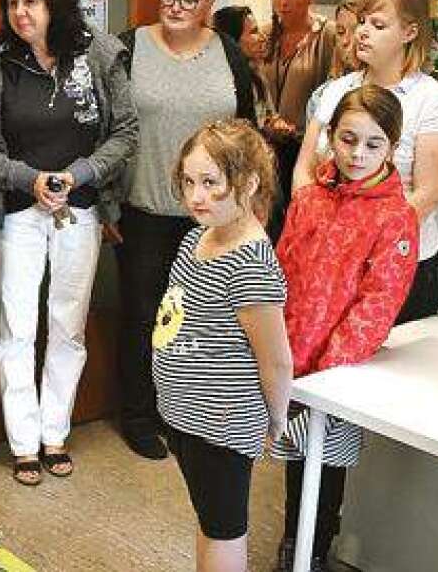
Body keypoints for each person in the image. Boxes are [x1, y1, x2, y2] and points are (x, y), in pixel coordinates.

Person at [0, 0, 138, 486]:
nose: (19, 13)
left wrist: (78, 174)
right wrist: (25, 178)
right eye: (12, 3)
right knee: (17, 326)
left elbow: (126, 132)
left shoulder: (100, 54)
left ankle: (55, 431)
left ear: (54, 3)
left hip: (79, 211)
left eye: (30, 2)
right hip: (19, 211)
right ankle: (22, 443)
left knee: (68, 324)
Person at [271, 85, 419, 571]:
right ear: (330, 136)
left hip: (338, 372)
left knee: (326, 464)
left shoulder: (396, 216)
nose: (358, 154)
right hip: (291, 355)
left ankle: (314, 551)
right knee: (294, 463)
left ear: (392, 147)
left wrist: (329, 372)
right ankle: (292, 545)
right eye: (348, 139)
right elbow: (283, 268)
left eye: (373, 144)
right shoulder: (309, 198)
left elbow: (377, 304)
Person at [113, 0, 255, 460]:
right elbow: (108, 127)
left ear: (208, 5)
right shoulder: (128, 48)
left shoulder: (230, 55)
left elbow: (245, 134)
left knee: (200, 323)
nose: (174, 7)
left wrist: (245, 208)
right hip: (146, 209)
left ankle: (185, 416)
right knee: (145, 316)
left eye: (187, 0)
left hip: (213, 218)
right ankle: (138, 415)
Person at [154, 120, 291, 572]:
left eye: (211, 183)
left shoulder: (251, 264)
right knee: (210, 517)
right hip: (184, 414)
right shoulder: (198, 236)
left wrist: (275, 418)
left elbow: (274, 359)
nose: (196, 196)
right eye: (190, 182)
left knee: (224, 529)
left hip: (222, 423)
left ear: (247, 184)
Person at [293, 0, 438, 323]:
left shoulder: (432, 100)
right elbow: (304, 170)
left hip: (396, 263)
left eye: (378, 25)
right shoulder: (337, 90)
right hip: (328, 258)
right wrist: (317, 229)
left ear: (410, 32)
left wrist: (362, 239)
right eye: (363, 21)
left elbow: (430, 192)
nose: (362, 32)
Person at [257, 0, 337, 205]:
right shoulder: (264, 34)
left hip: (306, 146)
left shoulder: (328, 34)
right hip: (265, 143)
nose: (284, 1)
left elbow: (333, 89)